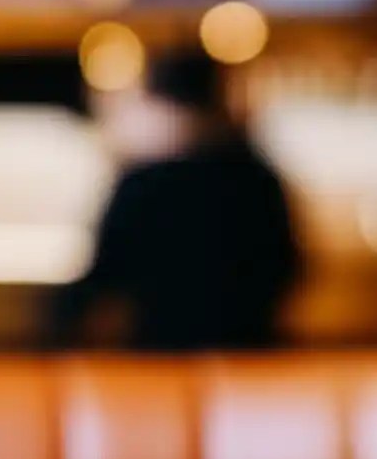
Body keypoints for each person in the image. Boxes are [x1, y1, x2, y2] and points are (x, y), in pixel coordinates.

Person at [50, 50, 300, 351]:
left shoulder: (142, 182)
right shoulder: (258, 179)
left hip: (157, 359)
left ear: (158, 102)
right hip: (246, 358)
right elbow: (287, 268)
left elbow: (103, 278)